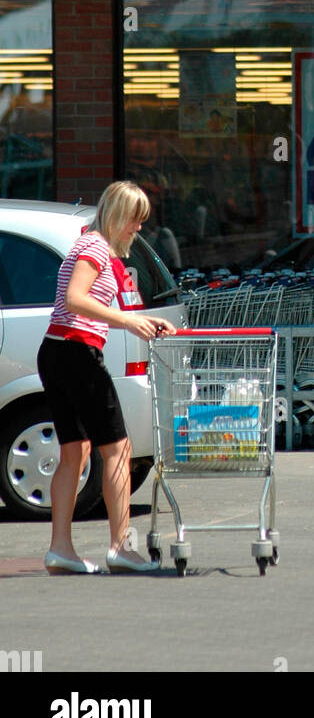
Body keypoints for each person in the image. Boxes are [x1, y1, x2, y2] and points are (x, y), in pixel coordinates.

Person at [36, 180, 176, 574]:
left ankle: (60, 548)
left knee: (74, 452)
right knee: (118, 450)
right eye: (135, 219)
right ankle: (120, 547)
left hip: (57, 350)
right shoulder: (95, 247)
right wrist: (129, 322)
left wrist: (140, 320)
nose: (139, 227)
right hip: (77, 353)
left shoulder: (92, 246)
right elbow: (75, 299)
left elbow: (85, 304)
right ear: (117, 214)